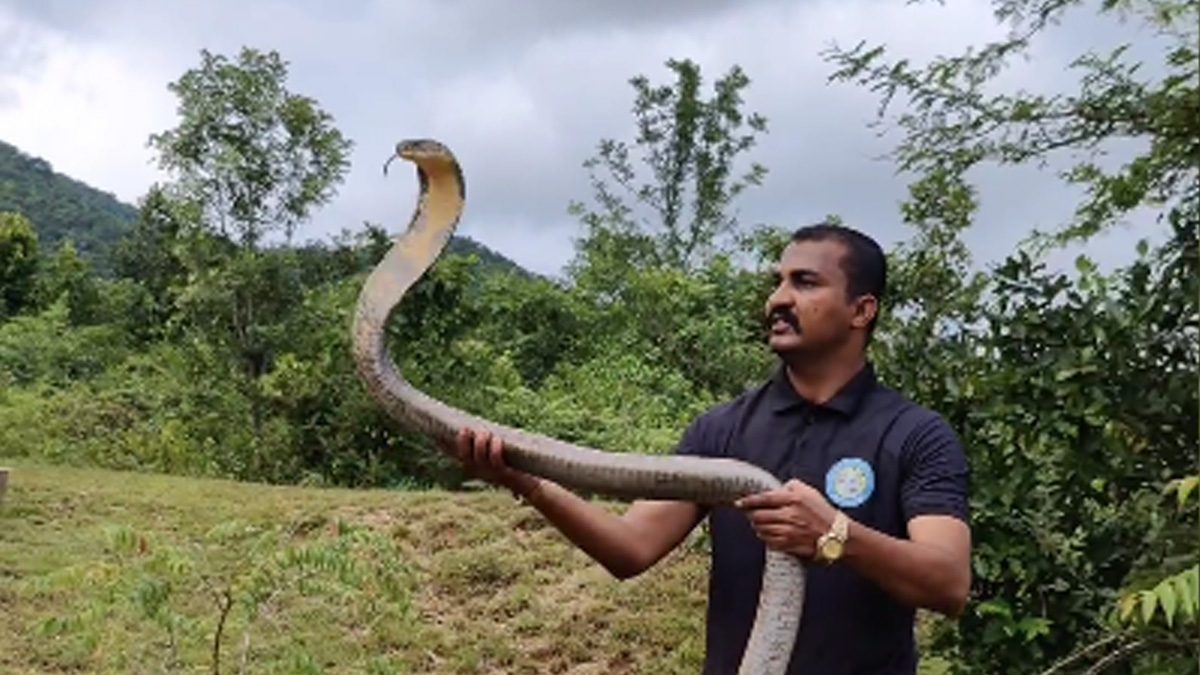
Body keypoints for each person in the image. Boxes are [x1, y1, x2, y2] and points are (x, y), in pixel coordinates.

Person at [444, 223, 972, 674]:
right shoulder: (721, 430)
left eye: (804, 282)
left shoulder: (914, 434)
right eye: (777, 282)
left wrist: (834, 534)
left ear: (861, 310)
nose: (778, 299)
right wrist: (528, 484)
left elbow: (948, 583)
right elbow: (630, 549)